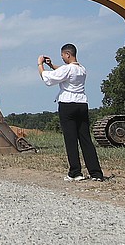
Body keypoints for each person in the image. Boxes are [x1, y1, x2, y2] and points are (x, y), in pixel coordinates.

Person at [39, 44, 105, 182]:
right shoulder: (82, 69)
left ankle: (75, 172)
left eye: (63, 55)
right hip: (82, 104)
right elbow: (64, 72)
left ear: (68, 54)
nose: (62, 58)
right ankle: (96, 173)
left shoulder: (67, 69)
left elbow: (49, 79)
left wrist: (40, 65)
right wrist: (52, 65)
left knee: (71, 140)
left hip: (68, 104)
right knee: (85, 139)